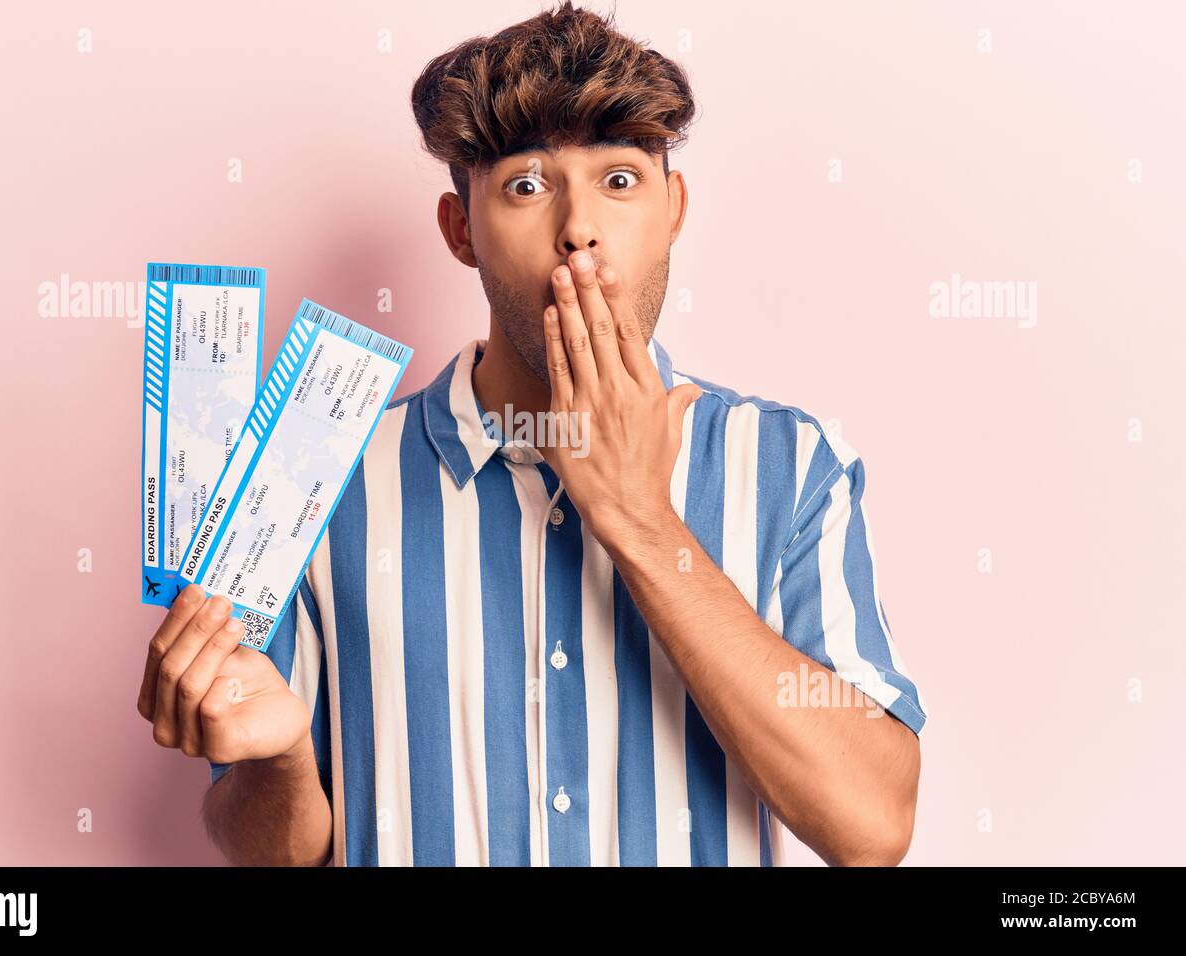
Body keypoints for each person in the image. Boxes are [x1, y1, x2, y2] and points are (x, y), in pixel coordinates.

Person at [137, 0, 928, 867]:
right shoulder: (326, 483)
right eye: (525, 185)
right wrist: (284, 763)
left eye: (620, 181)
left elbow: (872, 826)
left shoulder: (788, 468)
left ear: (674, 209)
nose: (578, 229)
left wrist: (639, 517)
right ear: (459, 229)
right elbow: (269, 849)